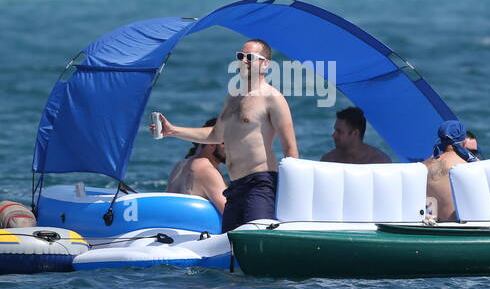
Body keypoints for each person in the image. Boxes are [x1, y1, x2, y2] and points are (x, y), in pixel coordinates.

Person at [153, 39, 299, 231]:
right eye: (240, 57)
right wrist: (172, 130)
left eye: (250, 58)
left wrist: (292, 196)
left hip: (260, 183)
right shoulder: (232, 97)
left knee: (257, 237)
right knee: (229, 244)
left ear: (265, 64)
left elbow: (290, 148)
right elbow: (215, 134)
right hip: (234, 186)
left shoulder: (273, 98)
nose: (244, 61)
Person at [166, 117, 228, 215]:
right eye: (227, 143)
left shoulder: (181, 165)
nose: (233, 148)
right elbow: (229, 213)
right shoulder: (205, 169)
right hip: (199, 229)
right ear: (212, 143)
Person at [422, 120, 479, 222]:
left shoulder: (423, 166)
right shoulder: (468, 166)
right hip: (456, 227)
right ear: (464, 142)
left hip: (428, 224)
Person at [320, 107, 391, 164]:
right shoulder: (328, 161)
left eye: (339, 131)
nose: (333, 135)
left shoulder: (379, 162)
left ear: (355, 133)